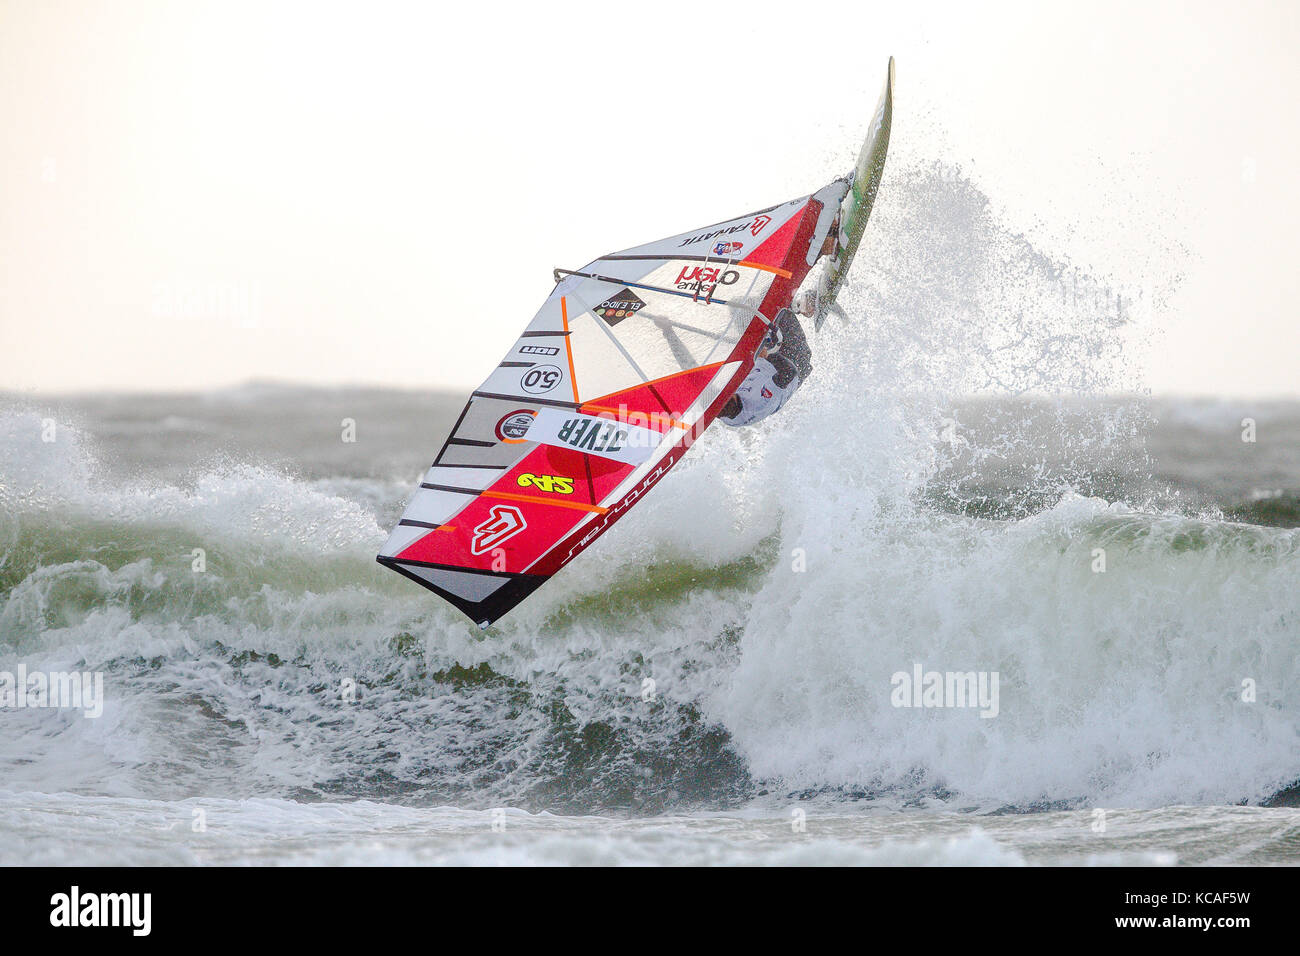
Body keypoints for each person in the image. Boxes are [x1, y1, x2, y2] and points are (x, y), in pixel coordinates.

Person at [718, 183, 845, 428]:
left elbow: (694, 382)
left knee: (740, 308)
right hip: (794, 359)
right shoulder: (758, 401)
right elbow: (788, 372)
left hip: (772, 358)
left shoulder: (723, 412)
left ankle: (798, 302)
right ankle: (808, 296)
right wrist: (760, 354)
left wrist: (666, 331)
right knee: (768, 306)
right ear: (734, 396)